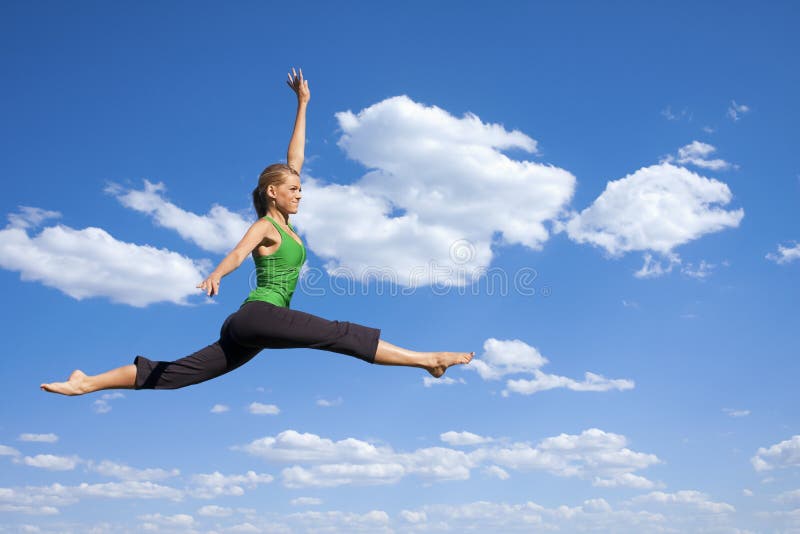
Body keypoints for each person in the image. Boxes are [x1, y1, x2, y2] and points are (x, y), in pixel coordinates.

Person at [41, 68, 473, 396]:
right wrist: (215, 275)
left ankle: (86, 383)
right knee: (340, 334)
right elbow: (236, 252)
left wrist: (303, 104)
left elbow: (294, 157)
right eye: (294, 189)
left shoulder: (286, 220)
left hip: (251, 327)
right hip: (258, 316)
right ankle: (427, 360)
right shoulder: (266, 225)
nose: (301, 194)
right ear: (273, 193)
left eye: (300, 188)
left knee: (178, 373)